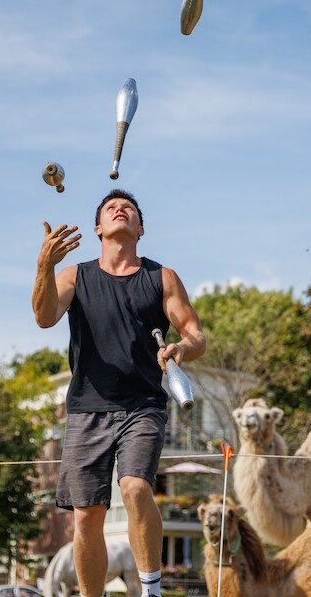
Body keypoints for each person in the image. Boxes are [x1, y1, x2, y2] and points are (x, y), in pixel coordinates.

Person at [33, 189, 206, 597]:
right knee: (87, 516)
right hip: (86, 409)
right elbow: (43, 317)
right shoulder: (75, 275)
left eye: (128, 208)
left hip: (142, 405)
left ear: (140, 228)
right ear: (98, 228)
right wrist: (44, 265)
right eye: (110, 208)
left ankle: (150, 590)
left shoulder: (161, 277)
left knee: (135, 487)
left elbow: (196, 334)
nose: (119, 208)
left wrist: (181, 347)